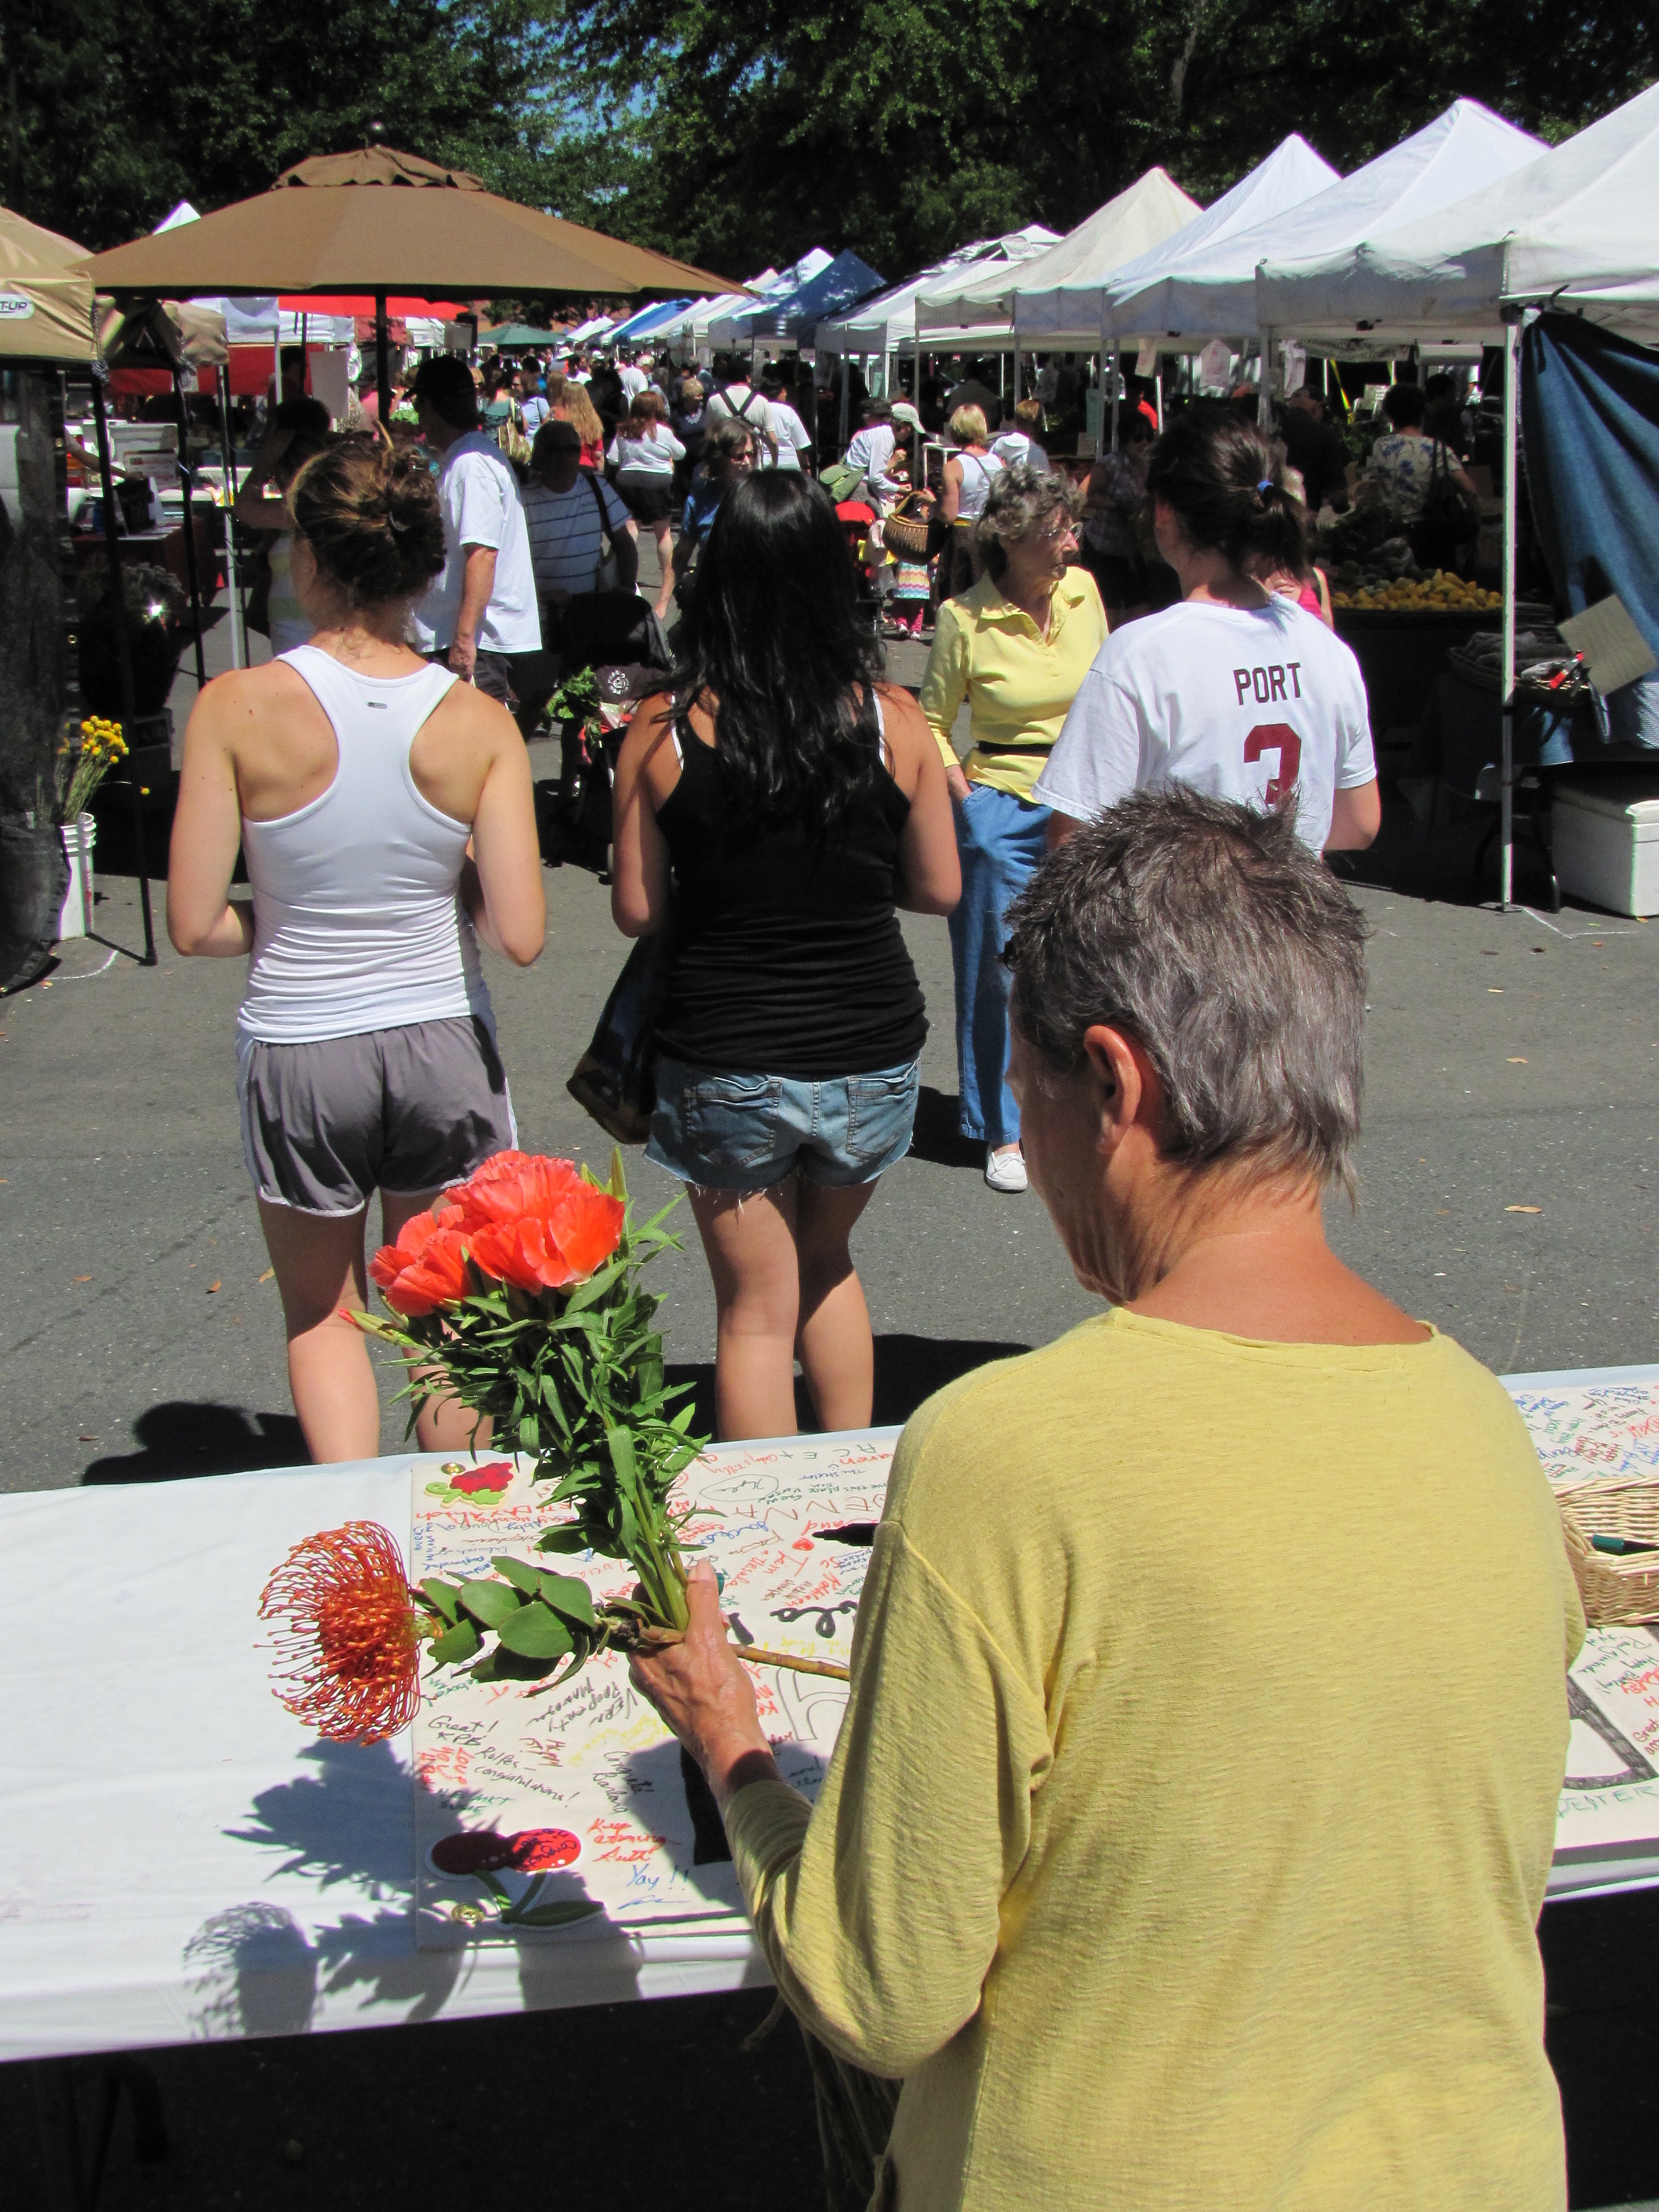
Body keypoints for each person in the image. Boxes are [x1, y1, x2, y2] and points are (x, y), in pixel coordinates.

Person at [630, 784, 1581, 2212]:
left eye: (1025, 1089)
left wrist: (734, 1752)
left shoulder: (1003, 1457)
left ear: (1114, 1085)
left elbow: (884, 1987)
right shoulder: (1484, 1430)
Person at [165, 436, 545, 1463]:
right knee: (451, 1325)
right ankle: (460, 1560)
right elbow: (520, 932)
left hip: (301, 1041)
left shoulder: (235, 707)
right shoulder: (478, 722)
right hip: (438, 1037)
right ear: (428, 567)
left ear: (308, 559)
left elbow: (197, 923)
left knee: (322, 1316)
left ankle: (359, 1560)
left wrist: (293, 918)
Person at [611, 472, 959, 1439]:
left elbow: (637, 909)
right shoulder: (895, 717)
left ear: (717, 579)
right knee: (828, 1264)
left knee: (754, 1310)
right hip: (868, 1044)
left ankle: (766, 1541)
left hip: (724, 1048)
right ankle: (851, 1508)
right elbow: (938, 888)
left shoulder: (663, 727)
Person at [1037, 405, 1381, 855]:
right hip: (1297, 917)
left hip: (1181, 921)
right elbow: (1359, 823)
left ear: (1164, 511)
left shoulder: (1141, 657)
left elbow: (1073, 846)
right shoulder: (1325, 648)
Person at [920, 465, 1106, 1192]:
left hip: (1087, 796)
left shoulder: (1085, 592)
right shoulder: (963, 618)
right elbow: (930, 725)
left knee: (1090, 966)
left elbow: (1113, 687)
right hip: (1002, 800)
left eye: (1068, 527)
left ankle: (1082, 1114)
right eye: (1058, 531)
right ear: (1015, 540)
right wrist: (969, 805)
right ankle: (1001, 1129)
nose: (1071, 541)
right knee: (999, 974)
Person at [409, 356, 545, 711]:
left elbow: (482, 553)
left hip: (476, 641)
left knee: (469, 750)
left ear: (429, 405)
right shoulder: (467, 457)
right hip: (467, 635)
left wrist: (464, 639)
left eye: (418, 404)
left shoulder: (471, 464)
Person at [521, 419, 640, 638]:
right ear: (539, 456)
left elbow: (624, 543)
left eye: (572, 449)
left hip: (589, 613)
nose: (564, 457)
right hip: (540, 620)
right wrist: (539, 596)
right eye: (556, 449)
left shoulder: (597, 488)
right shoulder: (522, 501)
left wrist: (626, 588)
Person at [234, 398, 334, 656]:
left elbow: (245, 509)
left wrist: (263, 464)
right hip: (299, 629)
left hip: (304, 633)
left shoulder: (309, 504)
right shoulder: (321, 497)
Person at [607, 391, 686, 621]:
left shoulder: (623, 430)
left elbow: (612, 459)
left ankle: (624, 577)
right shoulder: (663, 431)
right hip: (657, 482)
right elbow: (680, 453)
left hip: (629, 480)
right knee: (663, 534)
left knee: (630, 530)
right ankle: (666, 586)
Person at [1364, 380, 1479, 526]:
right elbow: (1470, 491)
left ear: (1390, 415)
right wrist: (1476, 523)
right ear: (1422, 412)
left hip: (1390, 530)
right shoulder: (1437, 450)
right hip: (1427, 535)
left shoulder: (1380, 446)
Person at [1078, 407, 1155, 625]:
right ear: (1125, 439)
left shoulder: (1150, 467)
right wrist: (1113, 505)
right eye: (1137, 438)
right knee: (1108, 612)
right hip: (1103, 549)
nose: (1143, 444)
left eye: (1148, 437)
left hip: (1133, 548)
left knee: (1141, 609)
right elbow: (1081, 497)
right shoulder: (1111, 464)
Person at [671, 416, 755, 604]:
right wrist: (666, 601)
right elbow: (682, 553)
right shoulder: (700, 499)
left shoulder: (765, 494)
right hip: (712, 595)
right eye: (739, 456)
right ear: (720, 458)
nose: (747, 462)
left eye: (751, 454)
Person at [936, 404, 1005, 599]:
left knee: (961, 602)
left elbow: (948, 515)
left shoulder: (953, 467)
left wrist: (932, 502)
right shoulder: (999, 462)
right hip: (992, 535)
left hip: (964, 539)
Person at [1281, 384, 1351, 516]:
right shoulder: (1323, 434)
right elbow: (1336, 493)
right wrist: (1345, 509)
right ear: (1318, 407)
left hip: (1268, 516)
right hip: (1305, 516)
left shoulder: (1272, 427)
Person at [703, 355, 780, 465]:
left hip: (725, 463)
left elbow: (708, 436)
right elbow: (773, 441)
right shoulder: (761, 401)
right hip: (752, 461)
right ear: (748, 377)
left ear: (727, 377)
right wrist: (774, 464)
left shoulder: (714, 401)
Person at [843, 398, 902, 508]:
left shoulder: (873, 434)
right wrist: (898, 488)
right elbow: (875, 477)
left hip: (854, 485)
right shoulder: (883, 435)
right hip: (860, 489)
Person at [759, 368, 814, 474]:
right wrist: (807, 469)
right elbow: (802, 445)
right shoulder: (788, 411)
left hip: (764, 464)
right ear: (781, 392)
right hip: (789, 466)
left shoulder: (758, 410)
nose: (786, 395)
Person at [551, 375, 608, 471]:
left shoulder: (556, 414)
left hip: (563, 467)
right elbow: (598, 454)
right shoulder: (593, 419)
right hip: (587, 468)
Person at [991, 395, 1049, 475]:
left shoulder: (999, 443)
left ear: (1016, 420)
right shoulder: (1037, 453)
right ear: (1039, 424)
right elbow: (1045, 484)